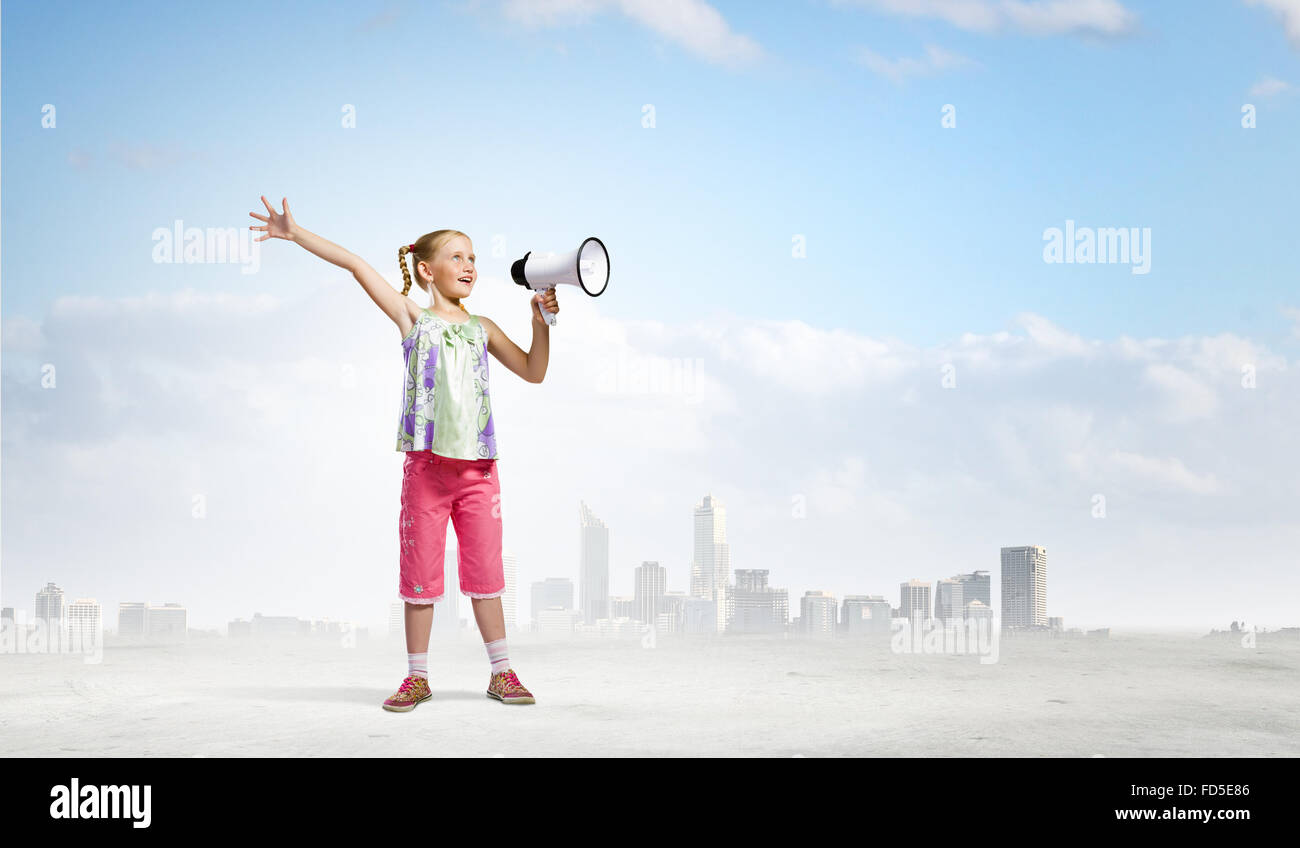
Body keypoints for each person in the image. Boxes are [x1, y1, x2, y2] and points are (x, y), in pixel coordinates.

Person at [249, 196, 553, 710]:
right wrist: (296, 234)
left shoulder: (483, 329)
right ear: (425, 270)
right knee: (420, 577)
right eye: (457, 257)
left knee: (486, 576)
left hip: (479, 473)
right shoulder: (413, 317)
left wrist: (540, 321)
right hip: (426, 471)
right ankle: (417, 677)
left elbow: (533, 370)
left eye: (473, 258)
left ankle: (502, 673)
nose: (470, 266)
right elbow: (356, 266)